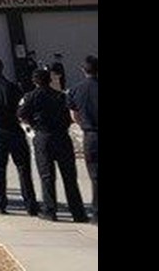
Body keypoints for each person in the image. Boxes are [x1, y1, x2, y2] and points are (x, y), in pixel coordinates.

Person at [19, 69, 88, 222]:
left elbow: (22, 114)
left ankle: (50, 210)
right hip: (62, 136)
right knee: (69, 176)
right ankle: (78, 212)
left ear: (35, 81)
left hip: (43, 136)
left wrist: (33, 124)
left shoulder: (30, 97)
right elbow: (70, 115)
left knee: (47, 176)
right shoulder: (61, 96)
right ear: (49, 80)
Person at [0, 58, 38, 216]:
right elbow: (22, 109)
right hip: (14, 130)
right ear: (2, 68)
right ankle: (30, 204)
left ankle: (0, 204)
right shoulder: (13, 87)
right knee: (23, 168)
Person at [66, 55, 98, 223]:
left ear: (83, 70)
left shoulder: (75, 90)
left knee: (94, 175)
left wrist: (85, 125)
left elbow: (74, 115)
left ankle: (96, 212)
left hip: (90, 135)